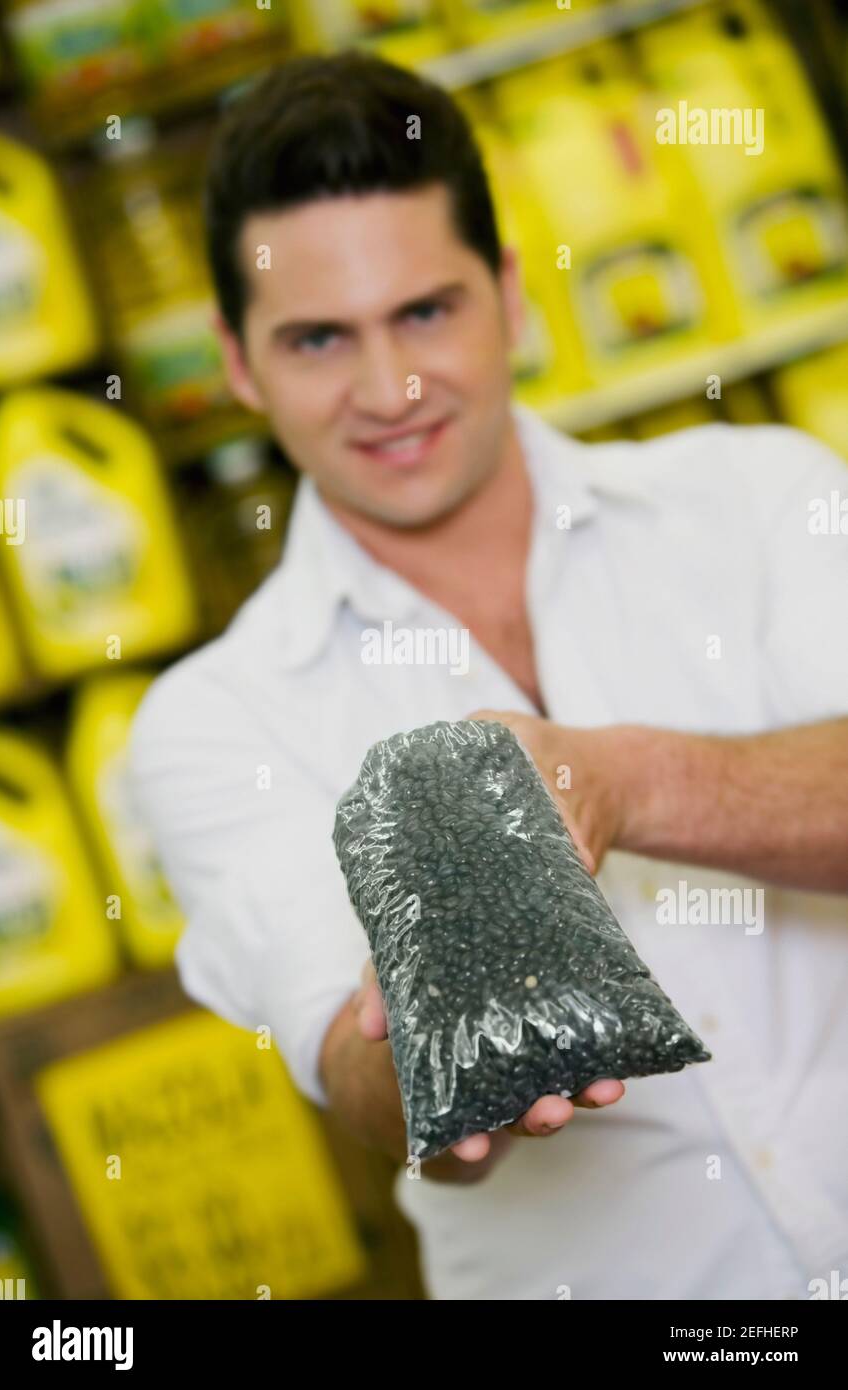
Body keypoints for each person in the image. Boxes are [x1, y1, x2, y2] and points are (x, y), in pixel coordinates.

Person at [130, 51, 848, 1300]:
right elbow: (360, 1087)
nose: (386, 389)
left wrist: (613, 781)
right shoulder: (210, 723)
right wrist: (442, 1018)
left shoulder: (758, 496)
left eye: (423, 312)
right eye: (315, 338)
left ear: (508, 296)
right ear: (237, 364)